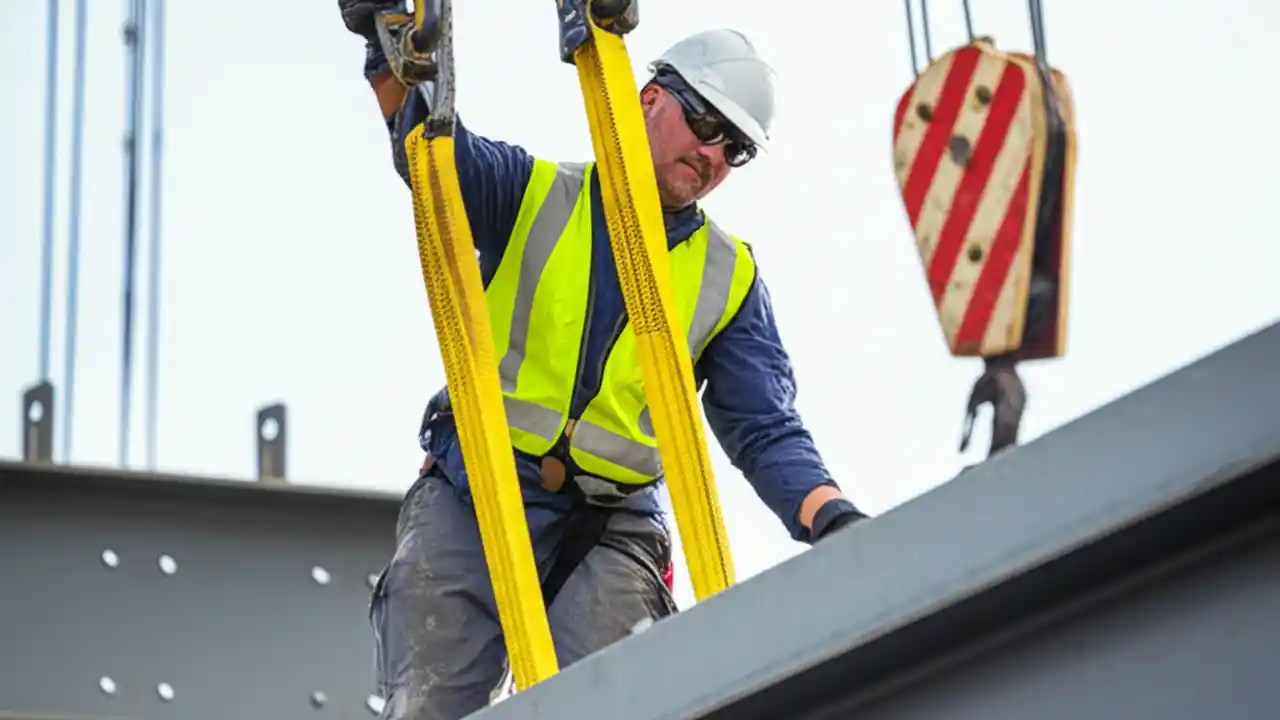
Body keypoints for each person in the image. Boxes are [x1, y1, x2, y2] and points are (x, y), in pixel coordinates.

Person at [339, 2, 867, 717]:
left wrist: (832, 521)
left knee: (610, 705)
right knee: (431, 702)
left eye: (734, 149)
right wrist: (387, 48)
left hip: (610, 529)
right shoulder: (532, 195)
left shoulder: (727, 278)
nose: (713, 156)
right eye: (706, 125)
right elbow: (432, 160)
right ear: (651, 99)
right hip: (478, 493)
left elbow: (764, 427)